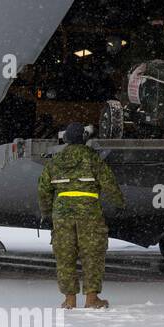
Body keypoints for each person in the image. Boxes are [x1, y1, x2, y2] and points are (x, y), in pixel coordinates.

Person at [37, 123, 124, 309]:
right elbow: (110, 184)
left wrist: (46, 213)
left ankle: (69, 300)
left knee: (65, 256)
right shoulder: (94, 160)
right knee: (92, 255)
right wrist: (119, 205)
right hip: (89, 215)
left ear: (66, 139)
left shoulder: (55, 162)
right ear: (84, 139)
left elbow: (43, 190)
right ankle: (92, 299)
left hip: (62, 216)